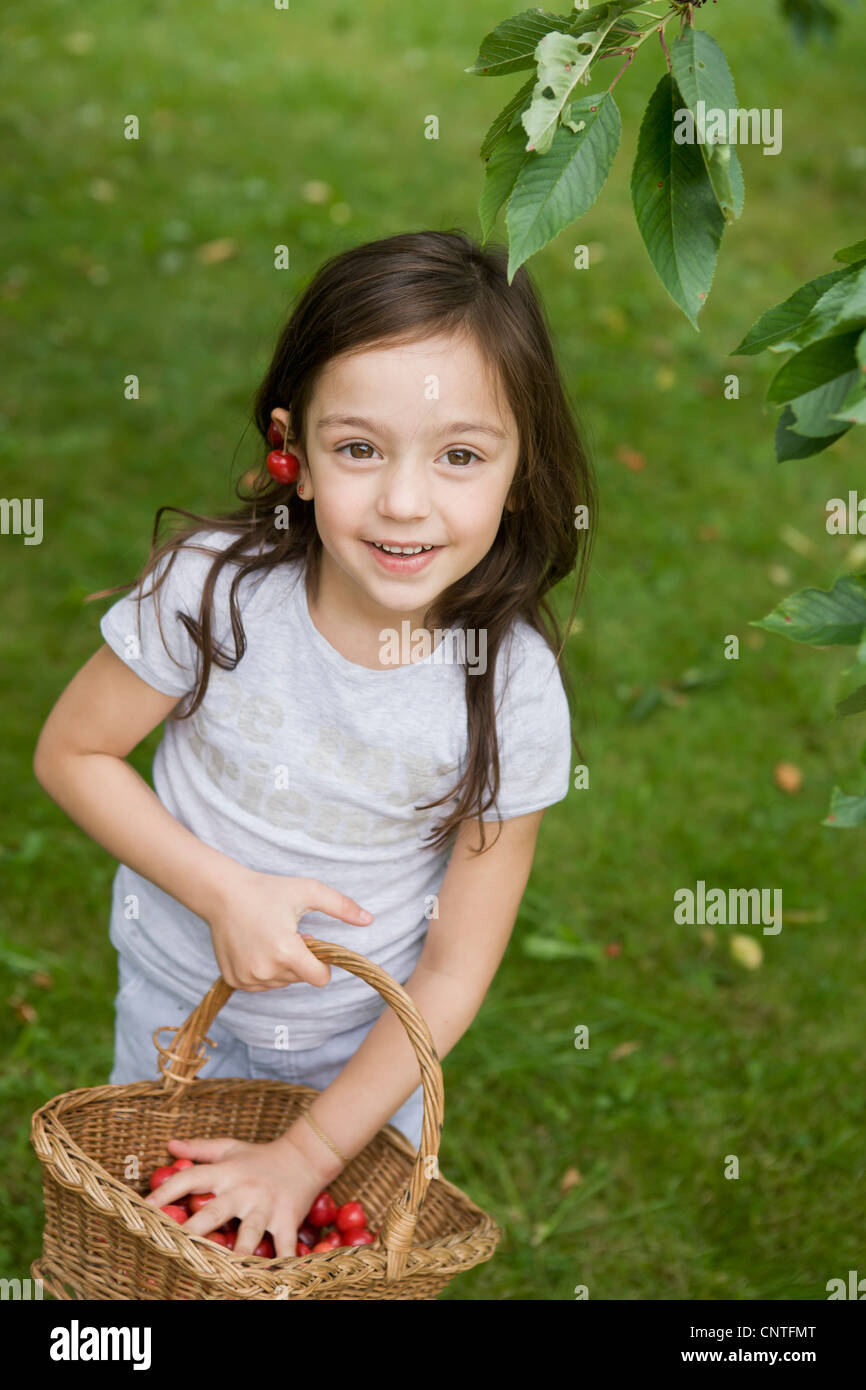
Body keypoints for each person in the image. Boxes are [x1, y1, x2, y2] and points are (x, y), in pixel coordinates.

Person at [32, 227, 596, 1260]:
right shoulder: (214, 591)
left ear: (520, 470)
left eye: (460, 455)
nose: (403, 501)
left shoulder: (505, 687)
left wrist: (308, 1152)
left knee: (310, 1264)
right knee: (163, 1253)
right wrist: (223, 893)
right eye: (359, 448)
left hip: (360, 1053)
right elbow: (72, 754)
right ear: (292, 451)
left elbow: (455, 970)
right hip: (176, 1009)